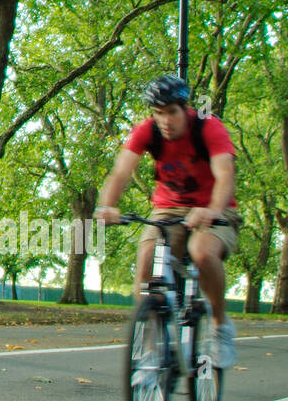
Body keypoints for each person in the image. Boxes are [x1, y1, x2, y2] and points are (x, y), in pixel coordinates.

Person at [95, 75, 242, 368]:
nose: (165, 120)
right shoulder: (148, 131)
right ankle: (149, 345)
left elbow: (225, 175)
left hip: (215, 208)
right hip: (169, 210)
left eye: (171, 112)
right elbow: (120, 172)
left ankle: (219, 324)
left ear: (184, 109)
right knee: (147, 257)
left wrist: (211, 210)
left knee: (202, 252)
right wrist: (106, 206)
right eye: (158, 112)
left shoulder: (208, 127)